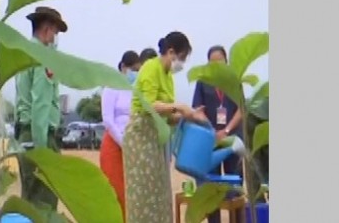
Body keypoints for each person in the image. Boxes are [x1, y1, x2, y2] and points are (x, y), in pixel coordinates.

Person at [123, 32, 209, 223]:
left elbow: (168, 116)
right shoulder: (150, 67)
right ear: (171, 52)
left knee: (159, 192)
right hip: (140, 136)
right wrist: (180, 107)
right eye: (182, 58)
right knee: (143, 193)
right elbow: (150, 105)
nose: (181, 64)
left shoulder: (168, 76)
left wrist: (190, 115)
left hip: (157, 137)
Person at [14, 6, 67, 210]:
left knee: (30, 200)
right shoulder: (42, 57)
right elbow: (41, 105)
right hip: (39, 136)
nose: (55, 38)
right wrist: (42, 150)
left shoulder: (24, 54)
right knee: (44, 202)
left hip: (25, 135)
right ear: (47, 29)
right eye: (55, 32)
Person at [191, 45, 243, 223]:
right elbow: (198, 110)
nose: (216, 65)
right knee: (211, 186)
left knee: (234, 185)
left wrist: (226, 130)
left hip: (232, 138)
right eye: (212, 63)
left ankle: (237, 220)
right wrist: (213, 131)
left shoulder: (234, 79)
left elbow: (241, 109)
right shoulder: (202, 81)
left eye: (219, 61)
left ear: (226, 61)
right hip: (210, 140)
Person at [100, 50, 142, 220]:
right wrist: (123, 142)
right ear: (124, 67)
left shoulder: (135, 89)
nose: (135, 73)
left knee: (131, 194)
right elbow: (108, 120)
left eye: (138, 70)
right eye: (133, 69)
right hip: (114, 144)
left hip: (132, 145)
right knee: (115, 192)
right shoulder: (111, 87)